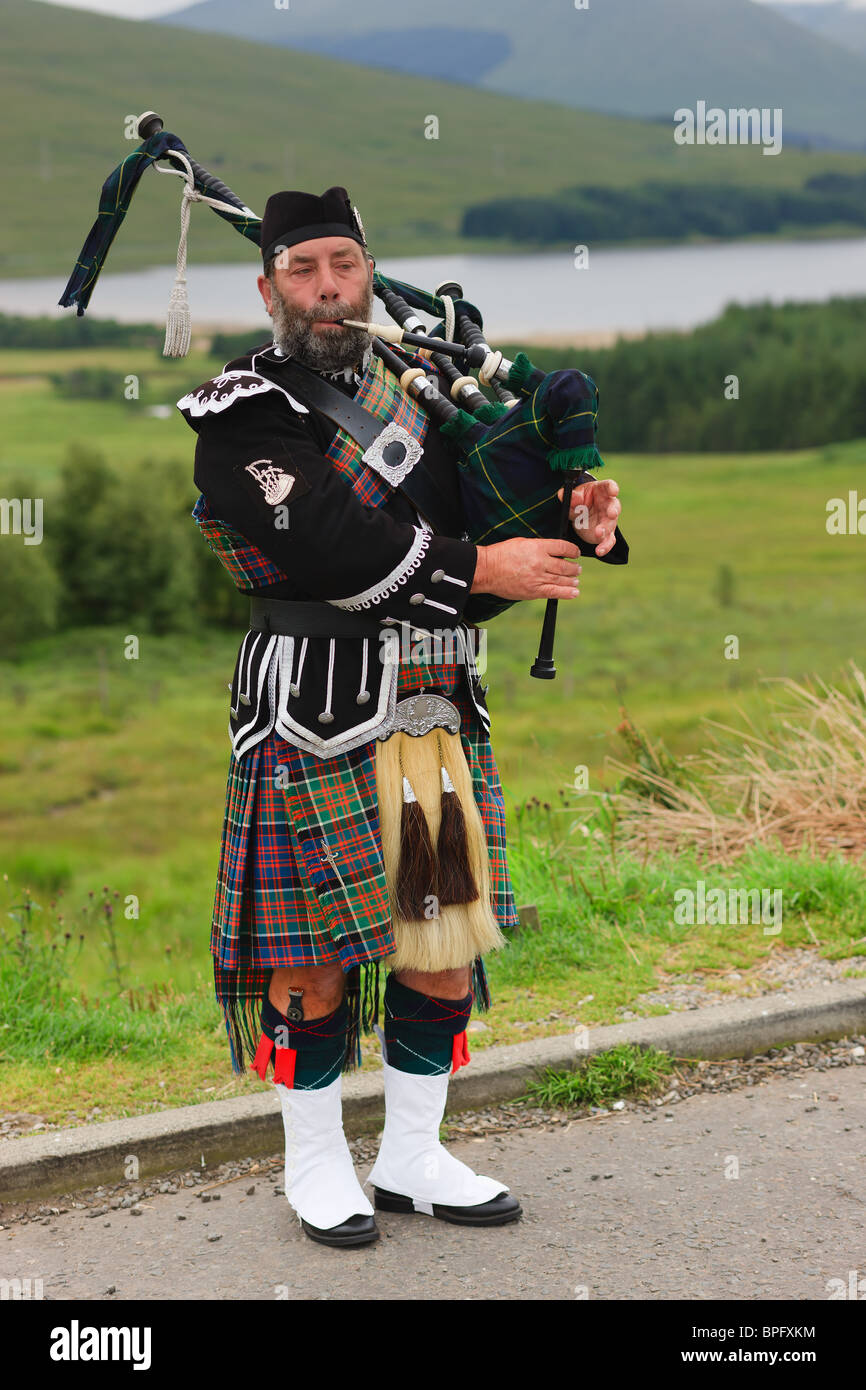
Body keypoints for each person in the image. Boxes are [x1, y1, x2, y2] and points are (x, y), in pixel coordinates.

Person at [177, 185, 625, 1249]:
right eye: (304, 270)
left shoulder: (428, 389)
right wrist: (483, 565)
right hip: (310, 705)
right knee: (311, 953)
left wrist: (578, 511)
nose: (328, 288)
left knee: (440, 936)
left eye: (344, 264)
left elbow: (500, 500)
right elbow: (330, 547)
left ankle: (412, 1153)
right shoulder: (238, 411)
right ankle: (314, 1160)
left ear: (369, 271)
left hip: (429, 690)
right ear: (268, 286)